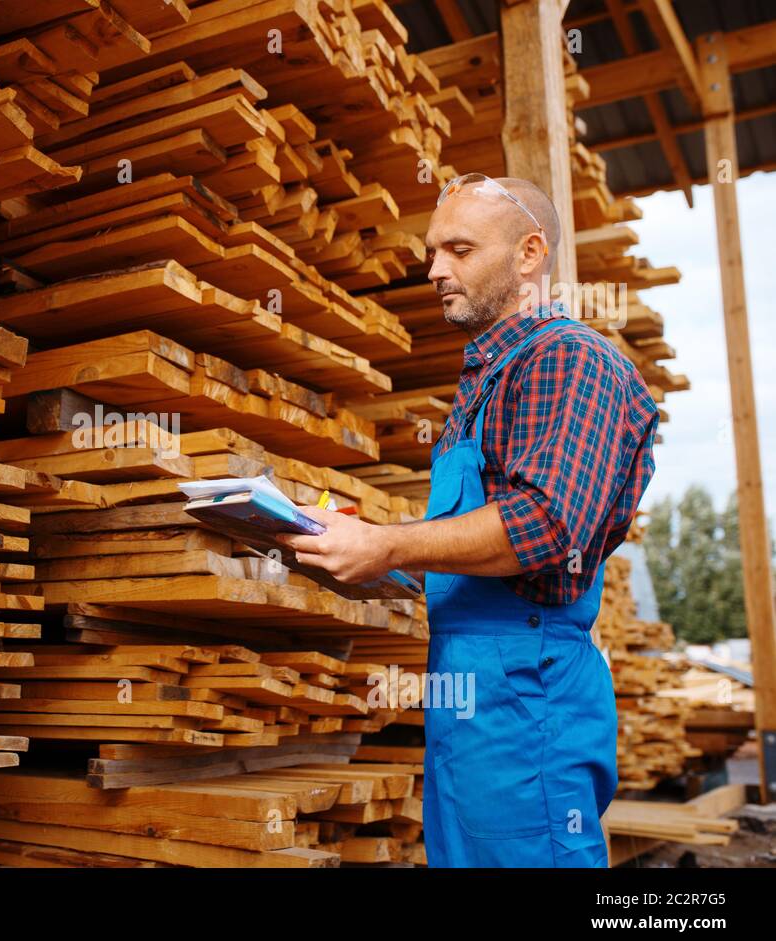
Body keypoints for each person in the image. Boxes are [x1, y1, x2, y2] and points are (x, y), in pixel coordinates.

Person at [276, 174, 659, 867]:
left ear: (529, 254)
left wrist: (388, 542)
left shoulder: (571, 358)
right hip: (467, 692)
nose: (435, 270)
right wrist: (351, 540)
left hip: (526, 693)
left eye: (459, 248)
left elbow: (544, 523)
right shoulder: (487, 378)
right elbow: (467, 538)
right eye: (431, 252)